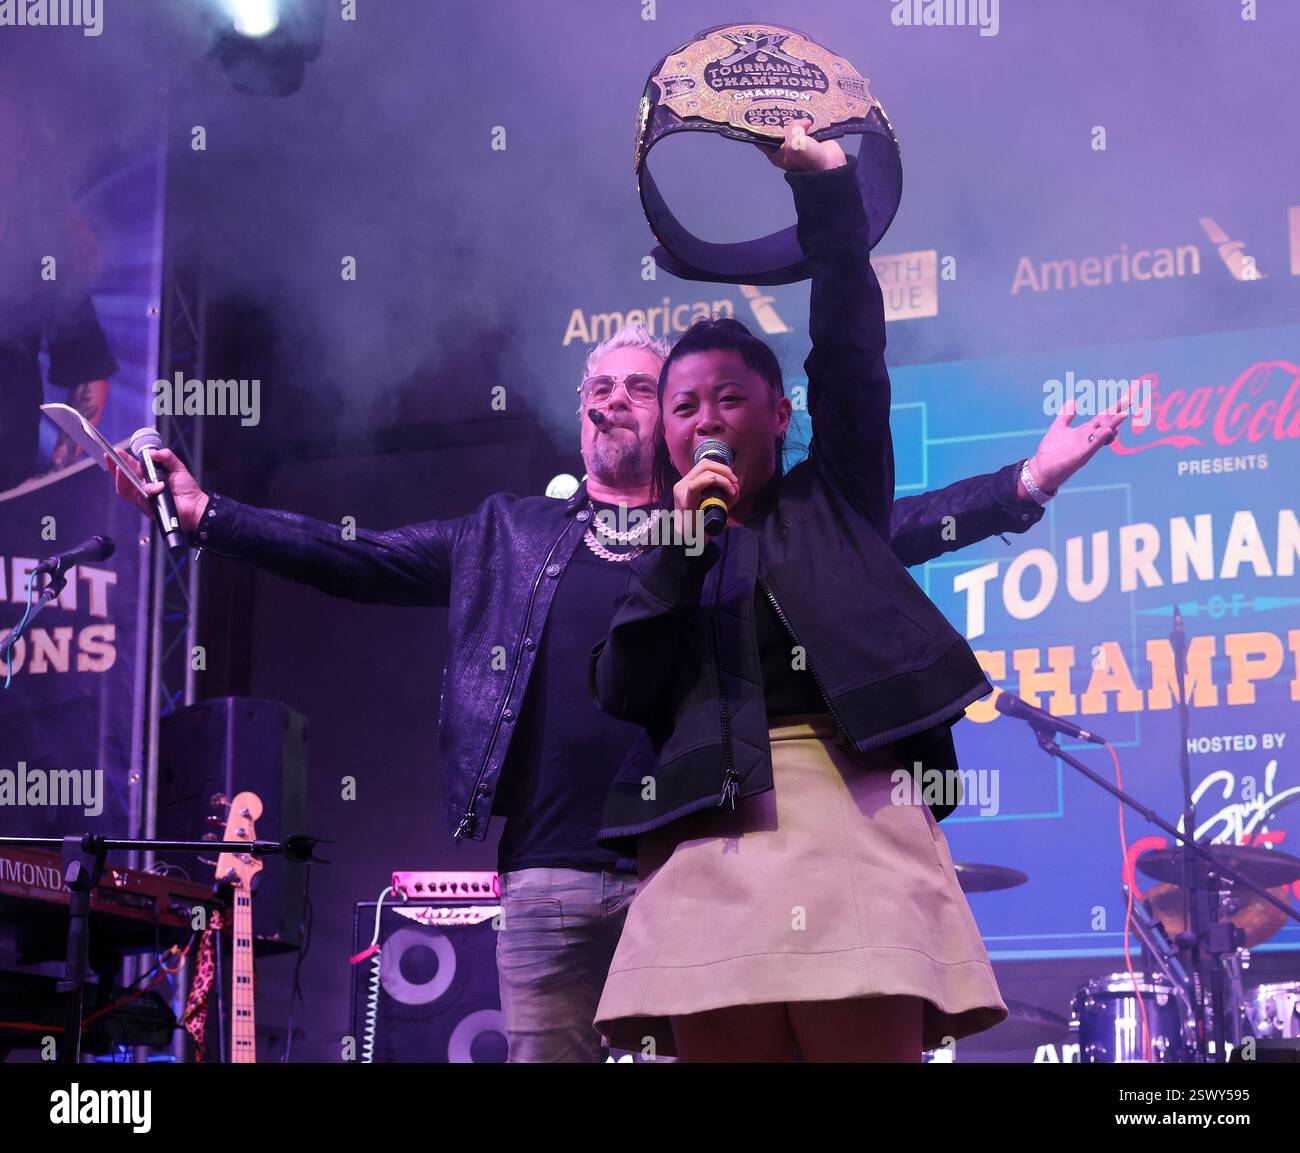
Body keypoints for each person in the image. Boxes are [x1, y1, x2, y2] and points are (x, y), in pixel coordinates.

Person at [107, 278, 1119, 1064]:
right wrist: (210, 519)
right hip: (554, 866)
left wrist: (1021, 484)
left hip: (704, 853)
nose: (617, 405)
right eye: (601, 390)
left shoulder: (743, 528)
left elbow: (889, 528)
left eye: (644, 388)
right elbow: (358, 556)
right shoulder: (511, 533)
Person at [588, 121, 1131, 1062]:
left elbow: (847, 354)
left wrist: (827, 201)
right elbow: (621, 686)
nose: (706, 419)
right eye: (683, 406)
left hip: (855, 807)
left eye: (729, 398)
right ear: (665, 434)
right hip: (711, 832)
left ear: (778, 413)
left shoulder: (835, 493)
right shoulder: (666, 545)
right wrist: (681, 546)